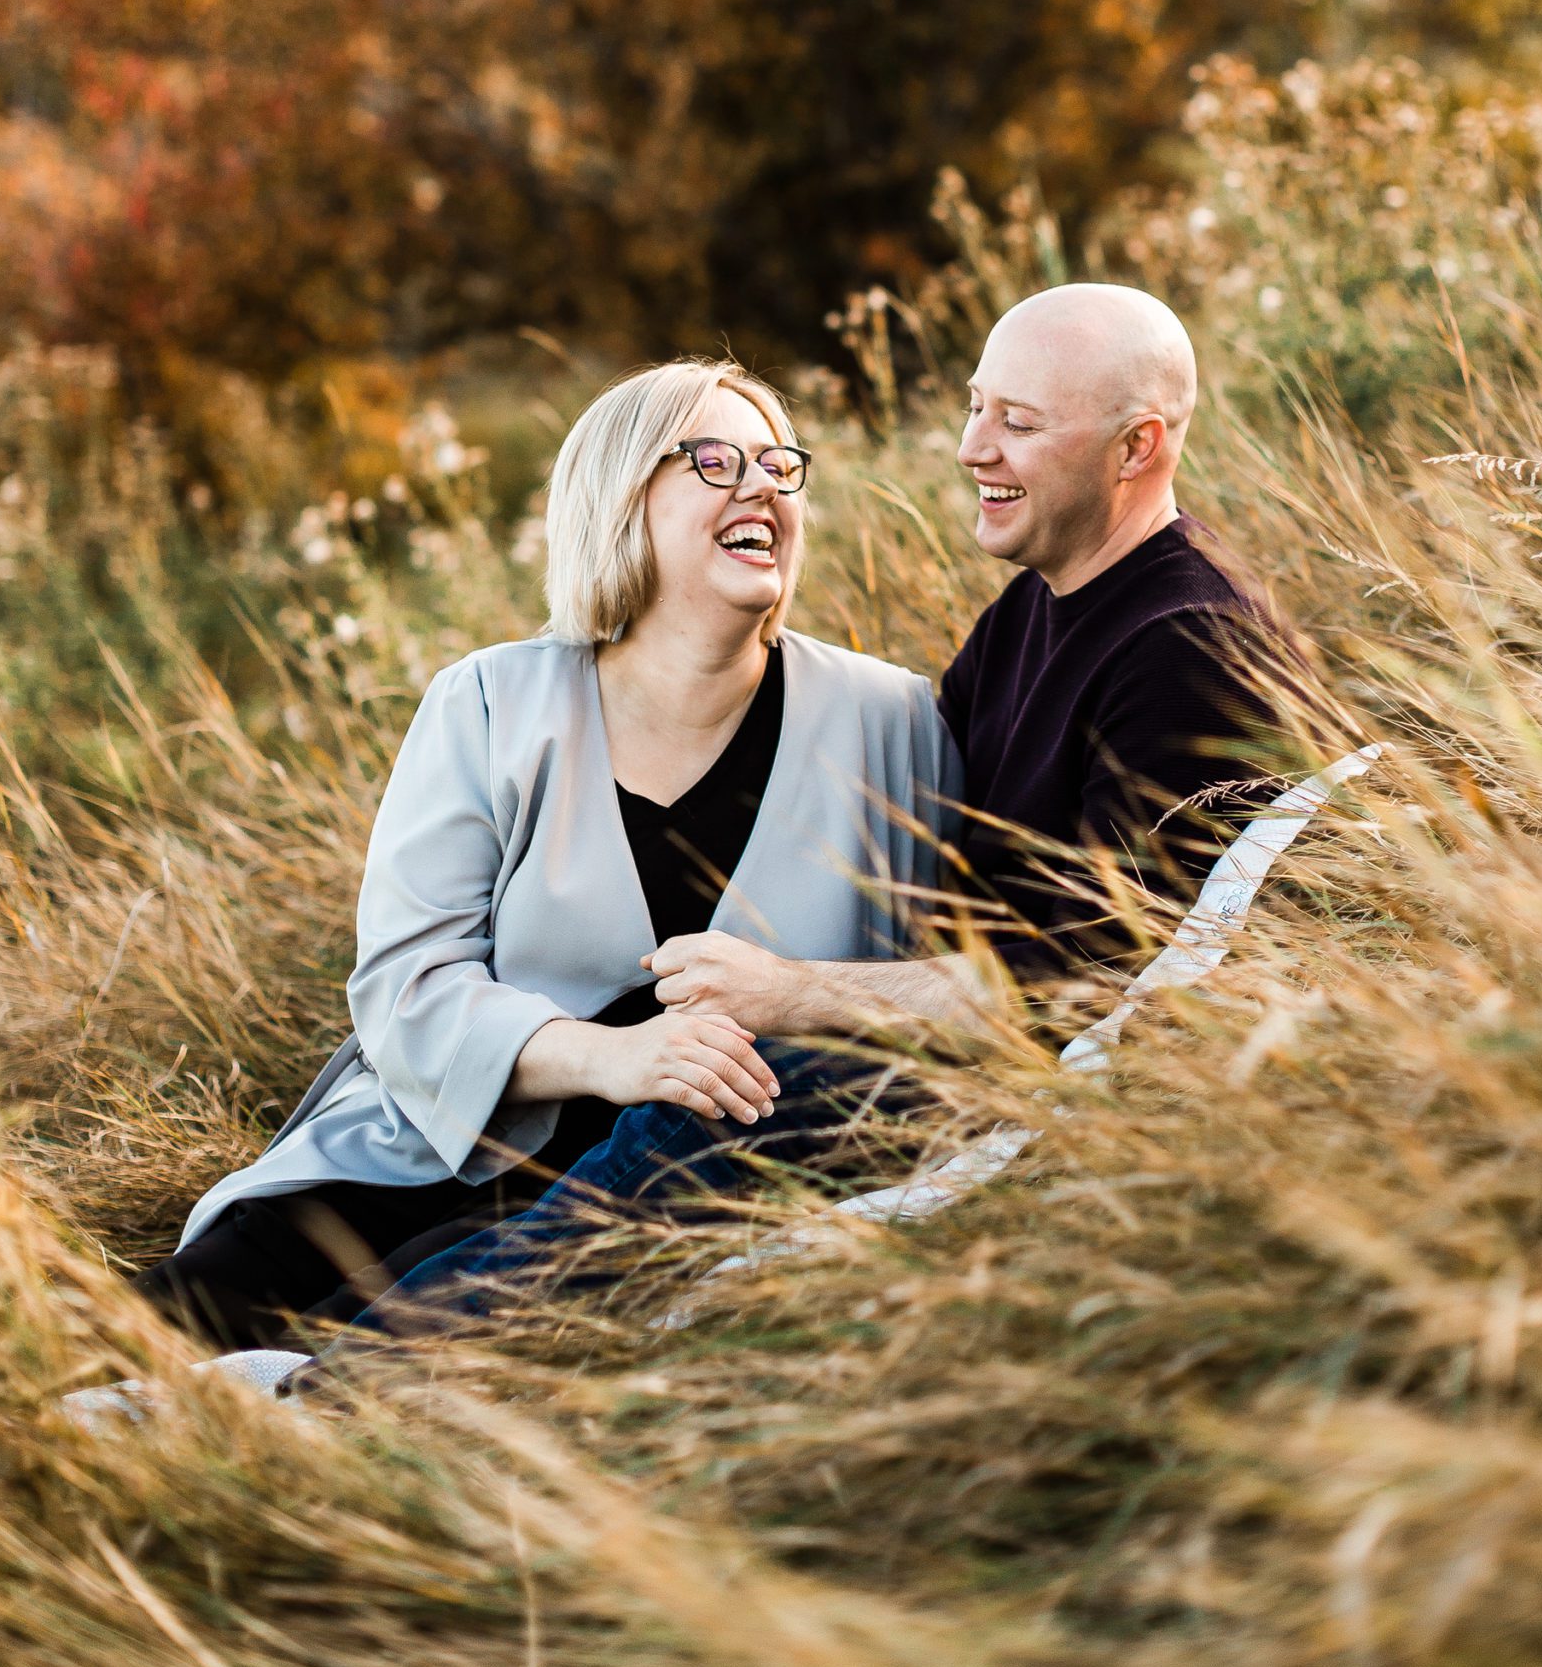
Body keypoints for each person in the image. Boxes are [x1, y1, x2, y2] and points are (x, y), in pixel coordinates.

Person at [307, 280, 1288, 1352]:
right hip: (921, 1055)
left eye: (1018, 421)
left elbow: (1094, 981)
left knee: (709, 1115)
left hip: (1034, 1100)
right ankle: (292, 1353)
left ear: (1136, 446)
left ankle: (347, 1385)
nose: (973, 447)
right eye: (974, 407)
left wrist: (795, 991)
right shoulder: (1034, 614)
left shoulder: (1188, 641)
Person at [136, 357, 956, 1350]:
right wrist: (617, 1058)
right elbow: (408, 989)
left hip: (686, 1188)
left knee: (358, 1369)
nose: (762, 488)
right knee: (159, 1333)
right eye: (713, 460)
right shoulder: (487, 703)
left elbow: (936, 992)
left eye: (780, 466)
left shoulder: (893, 720)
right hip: (432, 1150)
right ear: (618, 501)